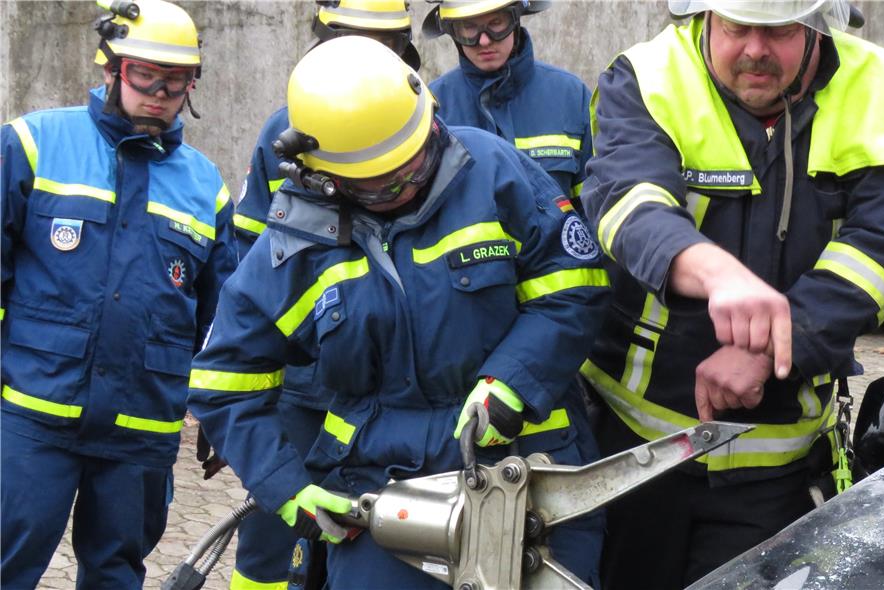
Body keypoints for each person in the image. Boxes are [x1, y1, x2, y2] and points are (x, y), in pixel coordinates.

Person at [187, 36, 610, 589]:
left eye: (420, 158)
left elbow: (576, 281)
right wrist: (289, 490)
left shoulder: (490, 170)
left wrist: (513, 381)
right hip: (380, 494)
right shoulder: (295, 249)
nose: (414, 181)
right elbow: (225, 379)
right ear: (324, 178)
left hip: (530, 464)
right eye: (388, 181)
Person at [578, 0, 884, 588]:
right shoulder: (649, 75)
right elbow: (625, 202)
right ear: (704, 18)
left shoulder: (869, 85)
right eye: (738, 27)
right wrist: (718, 275)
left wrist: (770, 343)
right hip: (631, 457)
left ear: (818, 24)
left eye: (781, 30)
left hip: (778, 469)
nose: (757, 50)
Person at [0, 1, 237, 588]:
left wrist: (222, 415)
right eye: (144, 76)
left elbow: (224, 319)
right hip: (35, 416)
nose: (159, 93)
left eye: (176, 81)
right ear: (109, 68)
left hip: (142, 427)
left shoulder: (206, 187)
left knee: (116, 574)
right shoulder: (31, 145)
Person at [224, 3, 423, 588]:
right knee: (271, 534)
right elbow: (250, 267)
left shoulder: (423, 120)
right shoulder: (283, 129)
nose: (365, 53)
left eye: (383, 41)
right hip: (303, 385)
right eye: (351, 38)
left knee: (366, 536)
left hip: (383, 390)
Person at [422, 0, 592, 210]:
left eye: (496, 23)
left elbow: (594, 206)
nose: (484, 41)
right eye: (468, 28)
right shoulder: (432, 106)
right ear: (451, 31)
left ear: (516, 19)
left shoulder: (571, 96)